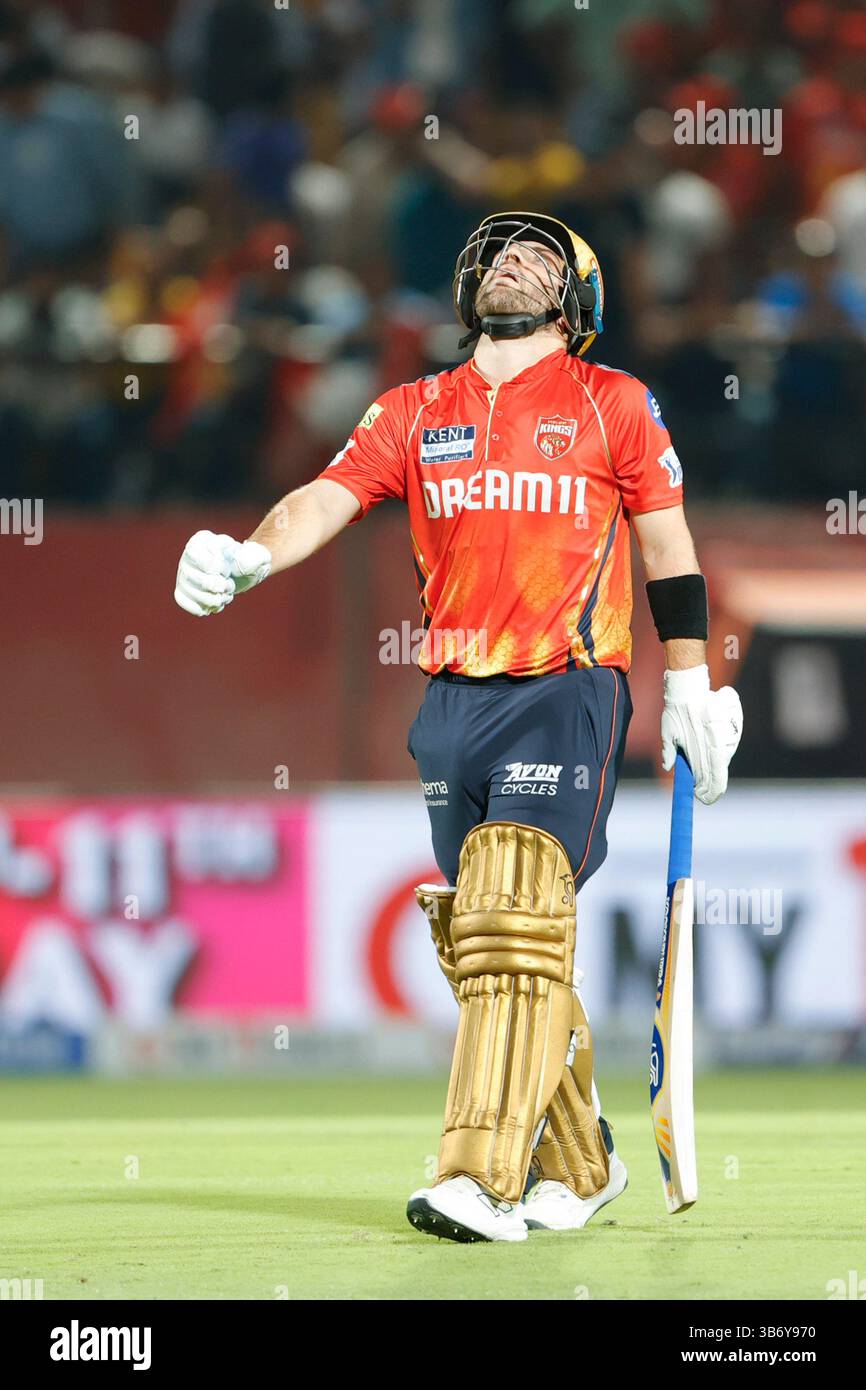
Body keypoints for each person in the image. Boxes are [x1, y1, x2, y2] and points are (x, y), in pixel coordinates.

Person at [173, 211, 743, 1243]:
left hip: (565, 687)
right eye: (495, 253)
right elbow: (321, 497)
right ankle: (586, 1160)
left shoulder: (612, 403)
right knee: (486, 940)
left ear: (578, 303)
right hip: (451, 703)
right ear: (466, 285)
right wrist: (251, 553)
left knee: (516, 906)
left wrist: (695, 685)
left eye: (537, 255)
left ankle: (478, 1177)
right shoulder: (412, 409)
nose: (509, 263)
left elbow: (666, 545)